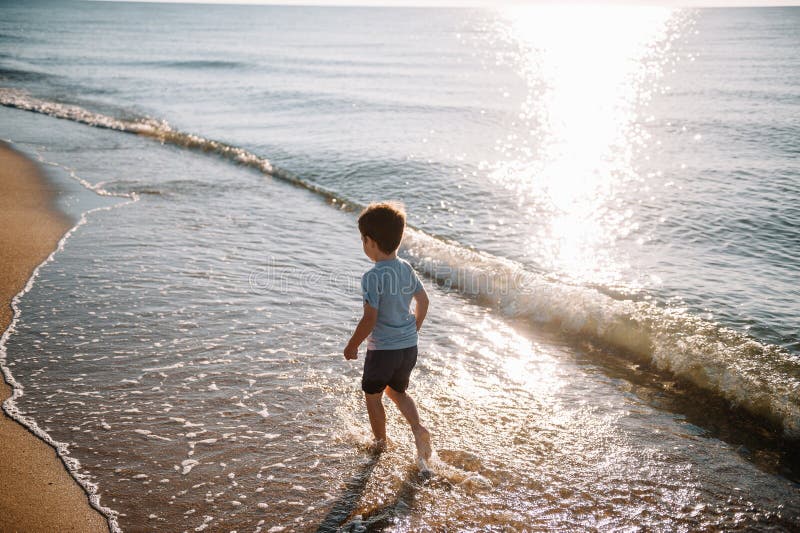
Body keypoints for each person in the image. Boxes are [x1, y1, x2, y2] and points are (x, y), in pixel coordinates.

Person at [344, 202, 432, 468]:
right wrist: (413, 328)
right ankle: (418, 428)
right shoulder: (405, 267)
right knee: (398, 391)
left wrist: (352, 345)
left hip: (382, 349)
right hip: (408, 347)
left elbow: (370, 319)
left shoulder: (372, 277)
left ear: (370, 242)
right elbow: (424, 301)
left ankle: (380, 444)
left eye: (363, 239)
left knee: (373, 396)